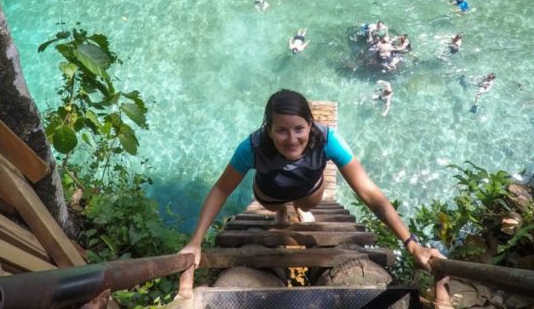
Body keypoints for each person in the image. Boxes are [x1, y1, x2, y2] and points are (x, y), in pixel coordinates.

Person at [176, 90, 451, 302]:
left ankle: (295, 207)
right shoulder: (252, 146)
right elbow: (222, 188)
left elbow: (369, 192)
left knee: (307, 205)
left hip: (309, 191)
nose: (291, 138)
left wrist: (412, 243)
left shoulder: (328, 139)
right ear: (268, 130)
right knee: (276, 207)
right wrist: (196, 241)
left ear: (310, 124)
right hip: (268, 194)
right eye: (281, 130)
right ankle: (283, 210)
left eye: (299, 128)